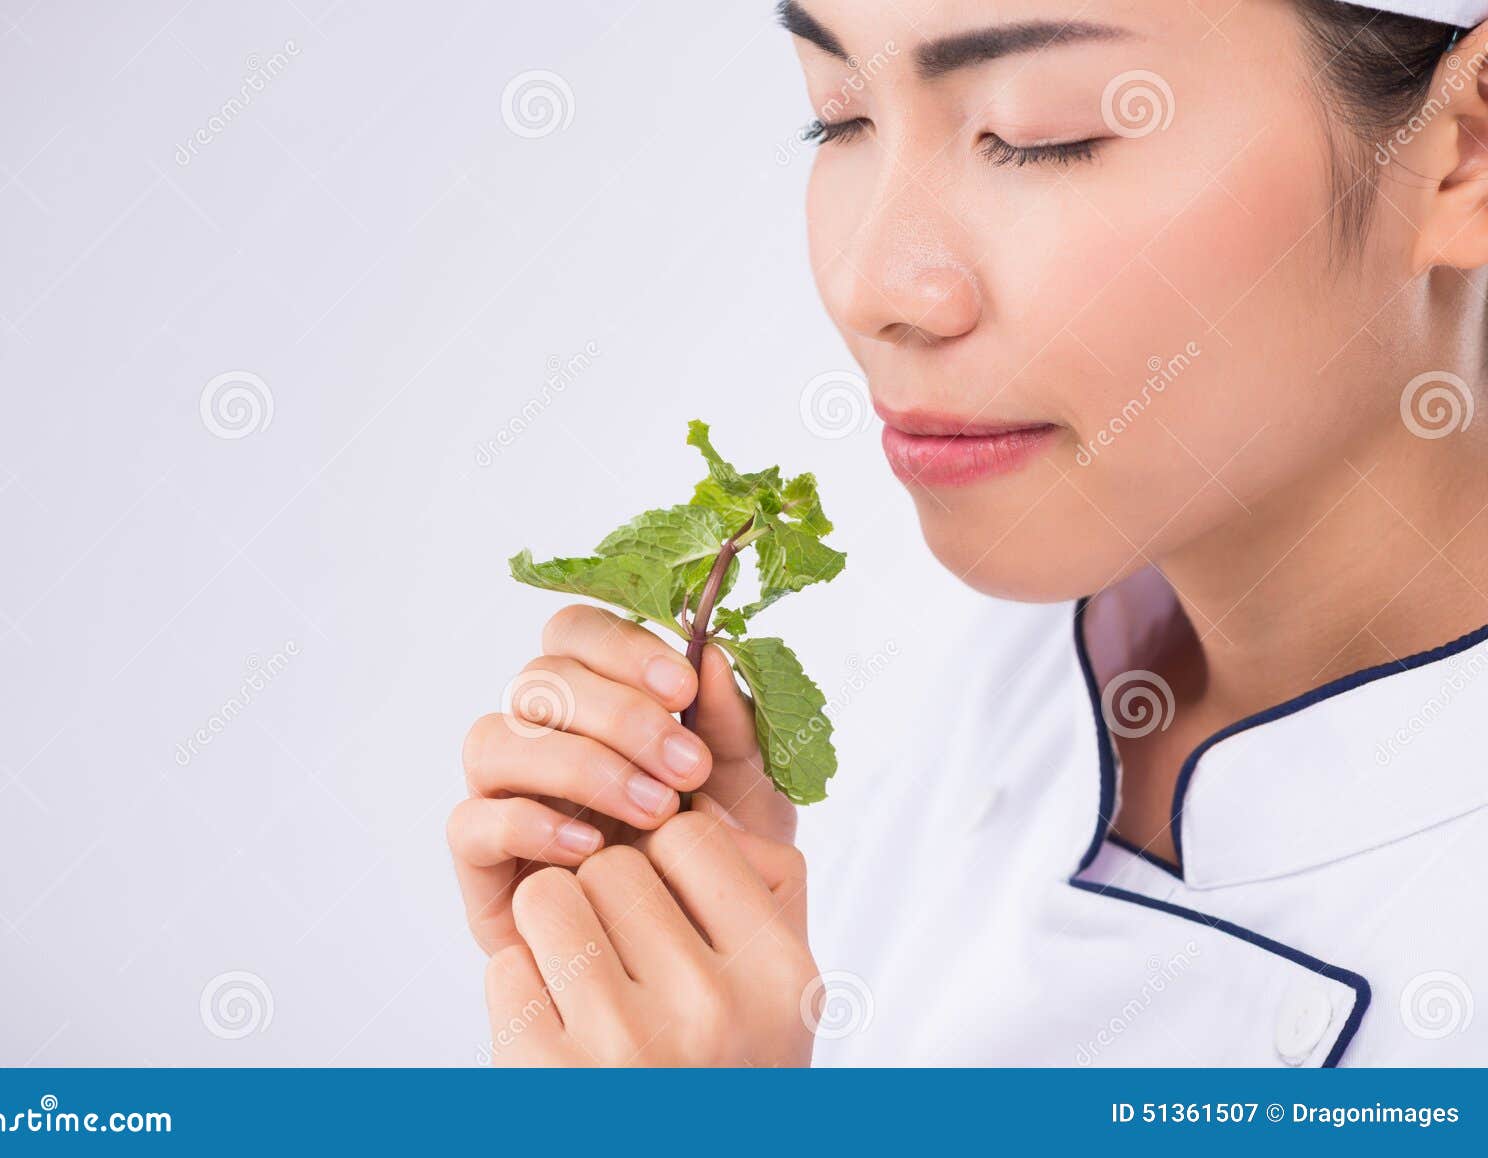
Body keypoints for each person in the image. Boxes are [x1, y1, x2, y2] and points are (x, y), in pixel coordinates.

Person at [449, 0, 1488, 1065]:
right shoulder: (977, 697)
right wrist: (666, 944)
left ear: (1463, 152)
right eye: (838, 116)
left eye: (1039, 136)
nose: (869, 287)